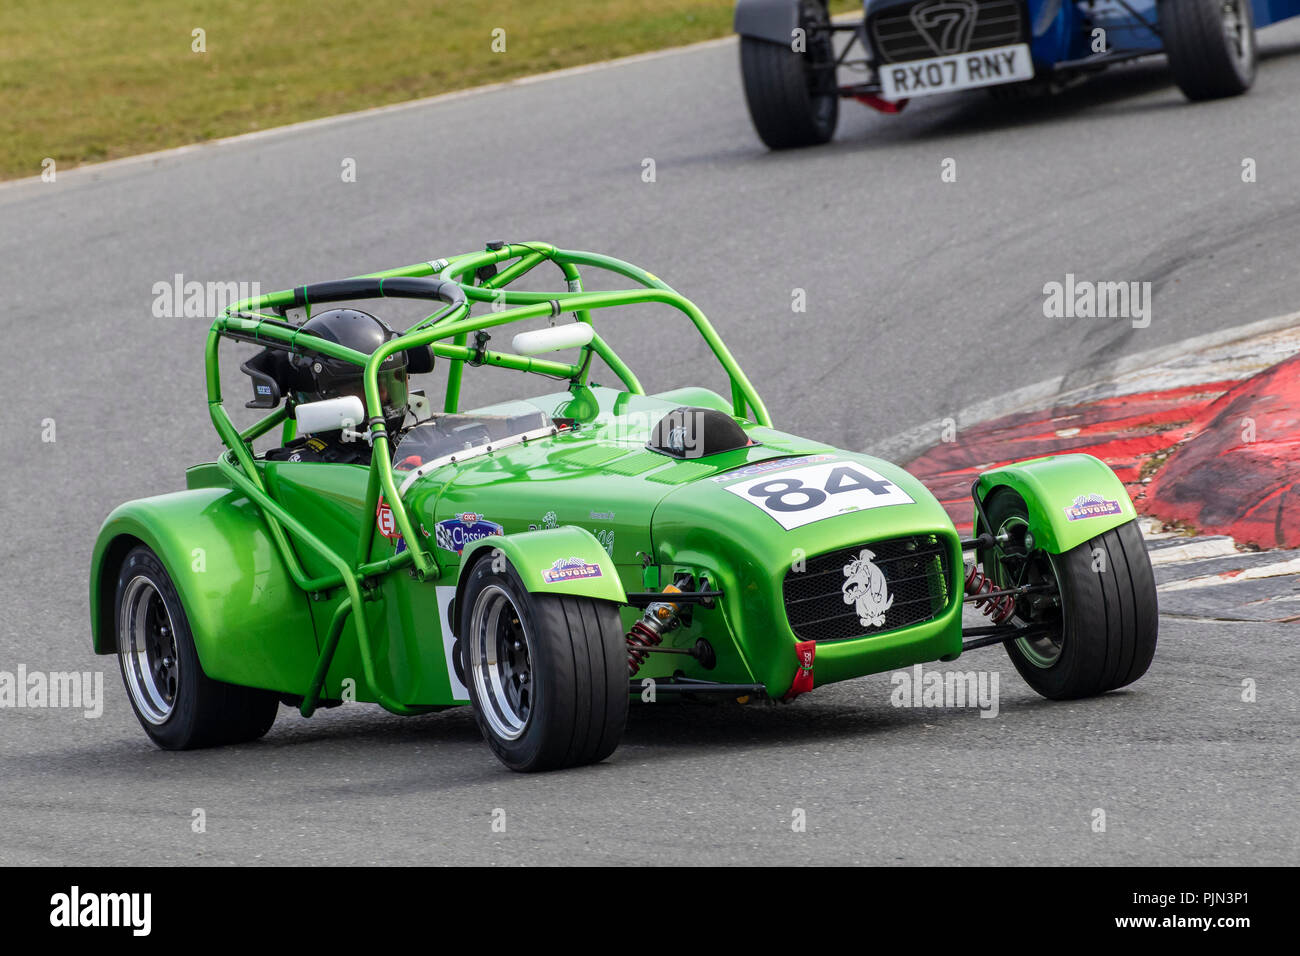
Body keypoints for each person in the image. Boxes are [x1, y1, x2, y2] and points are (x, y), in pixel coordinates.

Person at [266, 308, 409, 464]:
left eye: (388, 382)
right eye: (360, 386)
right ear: (317, 396)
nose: (383, 394)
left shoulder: (417, 441)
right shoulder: (304, 468)